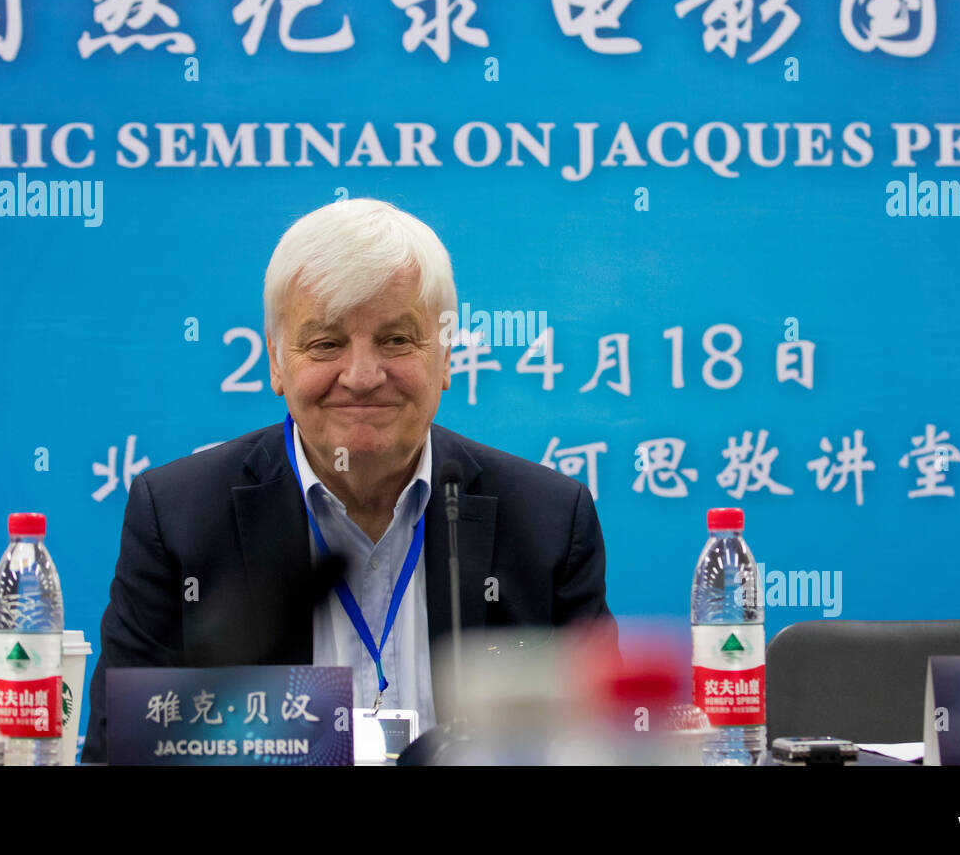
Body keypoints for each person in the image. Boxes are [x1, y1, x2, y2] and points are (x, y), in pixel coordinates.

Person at [80, 197, 618, 763]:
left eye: (397, 340)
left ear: (446, 358)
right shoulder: (180, 519)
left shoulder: (548, 520)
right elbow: (122, 758)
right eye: (326, 343)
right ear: (277, 364)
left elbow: (600, 750)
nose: (362, 377)